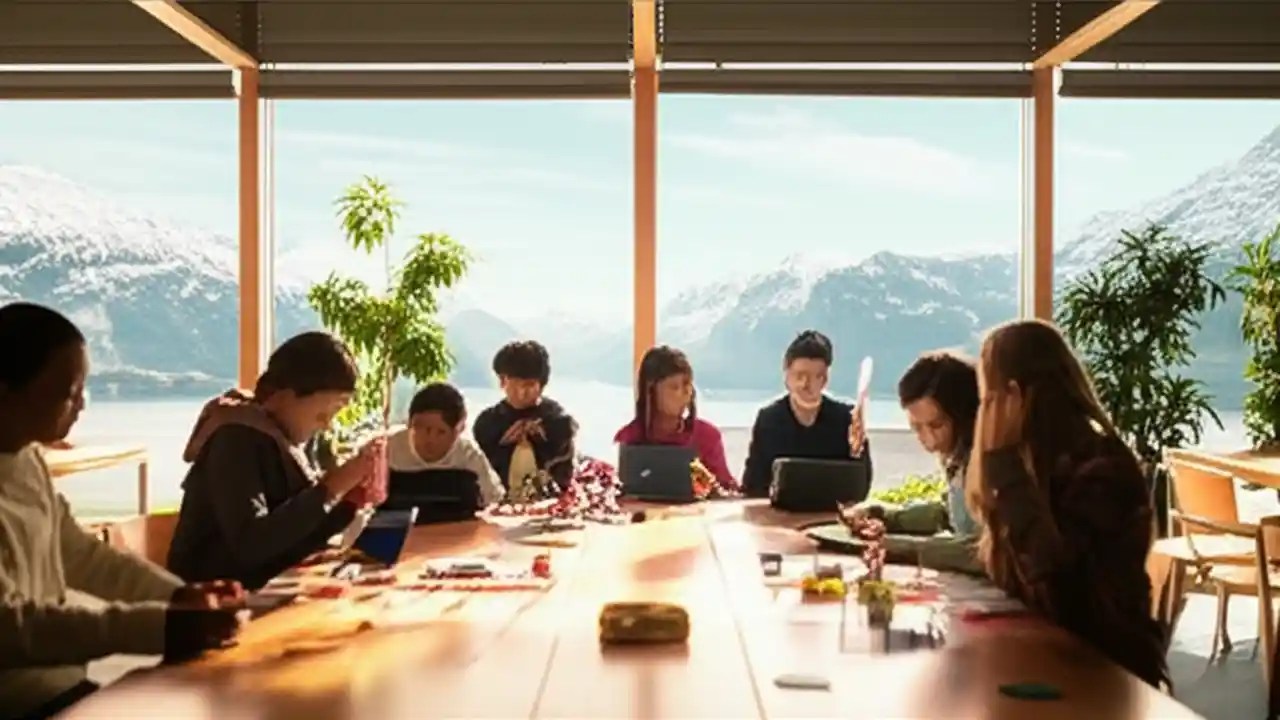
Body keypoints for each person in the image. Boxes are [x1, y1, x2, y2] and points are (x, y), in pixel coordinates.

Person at [0, 302, 243, 720]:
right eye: (67, 392)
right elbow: (11, 628)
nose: (80, 405)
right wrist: (159, 626)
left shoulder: (25, 458)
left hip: (62, 689)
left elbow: (79, 553)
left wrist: (176, 595)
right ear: (6, 390)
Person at [967, 318, 1168, 689]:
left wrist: (1003, 467)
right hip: (1052, 662)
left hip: (1105, 675)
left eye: (989, 398)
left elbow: (1062, 596)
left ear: (1014, 395)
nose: (986, 413)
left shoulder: (1099, 467)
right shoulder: (1041, 460)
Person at [168, 331, 385, 591]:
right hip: (207, 606)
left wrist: (349, 501)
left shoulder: (282, 437)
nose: (326, 424)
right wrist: (332, 487)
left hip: (257, 588)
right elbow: (250, 544)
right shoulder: (235, 436)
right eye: (323, 412)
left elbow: (293, 538)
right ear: (285, 395)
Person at [741, 330, 870, 498]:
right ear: (787, 374)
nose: (804, 384)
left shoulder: (846, 418)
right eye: (799, 375)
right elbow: (753, 483)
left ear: (824, 379)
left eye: (814, 377)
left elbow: (861, 480)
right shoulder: (769, 419)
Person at [614, 345, 738, 492]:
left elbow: (729, 492)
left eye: (687, 384)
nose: (685, 393)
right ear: (651, 391)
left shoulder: (707, 437)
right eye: (674, 387)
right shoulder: (630, 438)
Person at [472, 341, 577, 494]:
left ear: (541, 385)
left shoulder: (558, 420)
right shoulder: (487, 423)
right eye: (515, 385)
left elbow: (564, 474)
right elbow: (480, 473)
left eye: (529, 385)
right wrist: (503, 447)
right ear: (502, 381)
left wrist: (541, 442)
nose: (522, 393)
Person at [387, 382, 503, 507]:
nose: (431, 439)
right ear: (409, 423)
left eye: (441, 432)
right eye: (423, 429)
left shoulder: (468, 456)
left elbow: (493, 500)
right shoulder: (387, 450)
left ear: (458, 431)